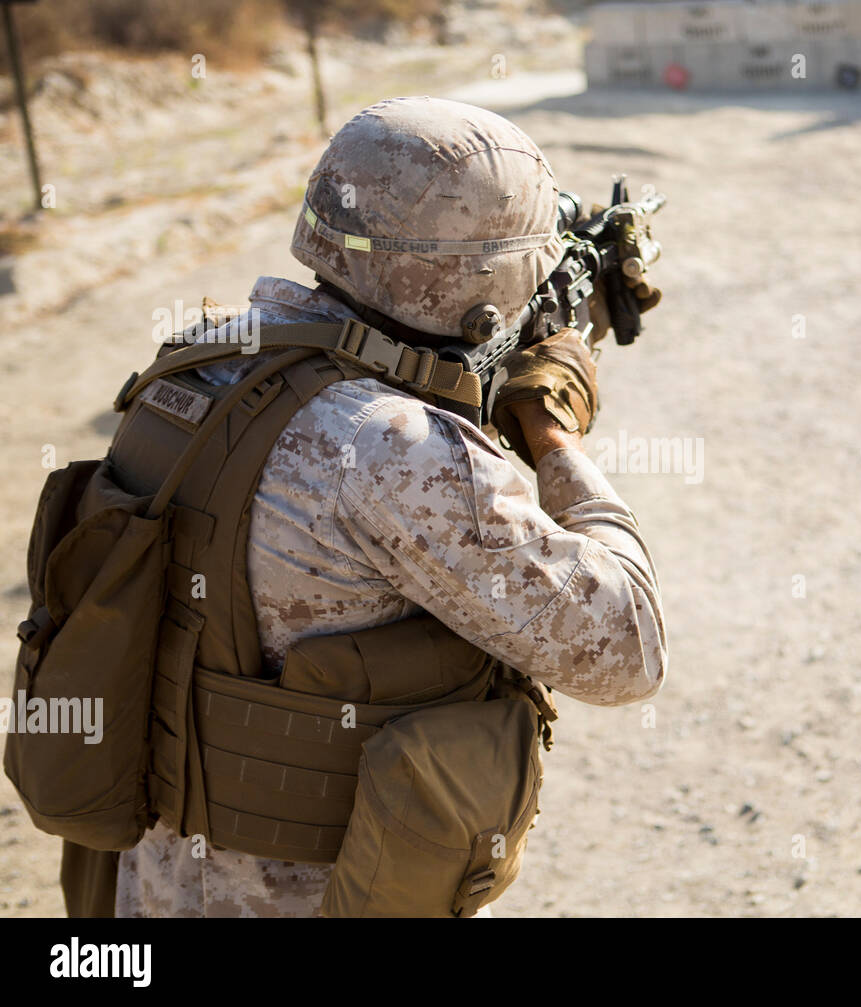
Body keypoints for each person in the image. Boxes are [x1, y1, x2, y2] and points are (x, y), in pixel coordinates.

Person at [110, 96, 668, 916]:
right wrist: (551, 433)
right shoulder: (394, 449)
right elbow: (630, 648)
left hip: (156, 887)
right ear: (483, 291)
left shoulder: (199, 359)